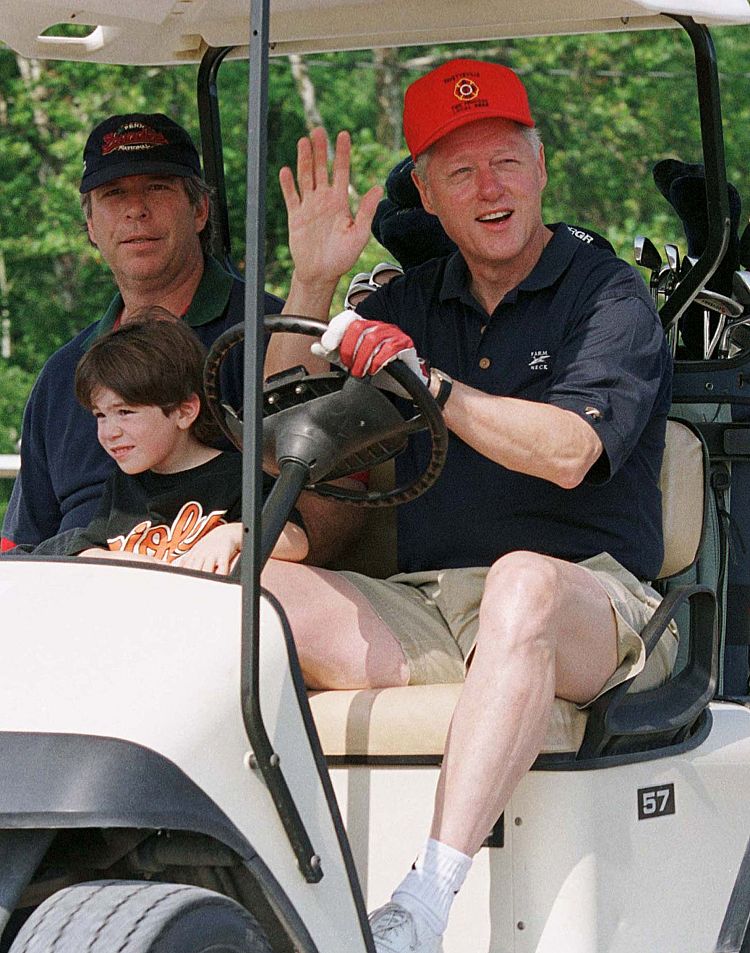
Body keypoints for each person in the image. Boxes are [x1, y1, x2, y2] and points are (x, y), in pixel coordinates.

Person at [264, 58, 676, 953]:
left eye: (507, 162)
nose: (490, 189)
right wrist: (312, 288)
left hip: (596, 605)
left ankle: (423, 904)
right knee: (248, 590)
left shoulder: (608, 295)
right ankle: (238, 873)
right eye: (460, 171)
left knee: (523, 584)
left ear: (540, 168)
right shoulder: (408, 300)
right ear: (426, 193)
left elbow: (571, 452)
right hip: (433, 602)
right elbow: (279, 429)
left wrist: (423, 379)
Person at [0, 112, 283, 554]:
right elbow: (20, 541)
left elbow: (315, 520)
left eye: (157, 186)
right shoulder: (60, 376)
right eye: (114, 194)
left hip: (214, 599)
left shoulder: (269, 336)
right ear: (91, 226)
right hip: (66, 598)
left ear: (200, 210)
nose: (136, 209)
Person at [66, 312, 307, 569]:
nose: (109, 432)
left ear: (184, 411)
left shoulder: (240, 475)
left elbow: (296, 540)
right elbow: (87, 548)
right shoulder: (122, 485)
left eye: (125, 412)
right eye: (100, 415)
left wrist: (232, 535)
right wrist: (114, 560)